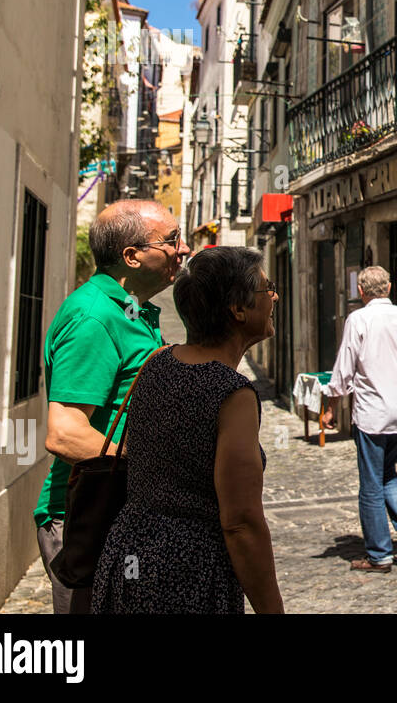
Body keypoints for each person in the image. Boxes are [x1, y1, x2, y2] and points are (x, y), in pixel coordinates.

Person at [92, 247, 284, 613]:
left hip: (129, 555)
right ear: (238, 310)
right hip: (187, 572)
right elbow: (241, 524)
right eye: (267, 288)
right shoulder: (232, 393)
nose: (274, 296)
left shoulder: (156, 362)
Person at [33, 199, 189, 613]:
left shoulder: (128, 309)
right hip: (88, 517)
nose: (184, 248)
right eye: (172, 240)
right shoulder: (94, 318)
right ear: (132, 256)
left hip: (120, 509)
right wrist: (153, 472)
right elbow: (65, 432)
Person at [323, 265, 397, 572]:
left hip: (372, 415)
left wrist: (331, 406)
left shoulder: (358, 319)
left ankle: (380, 554)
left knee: (370, 483)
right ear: (389, 288)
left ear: (360, 291)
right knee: (386, 472)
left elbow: (343, 370)